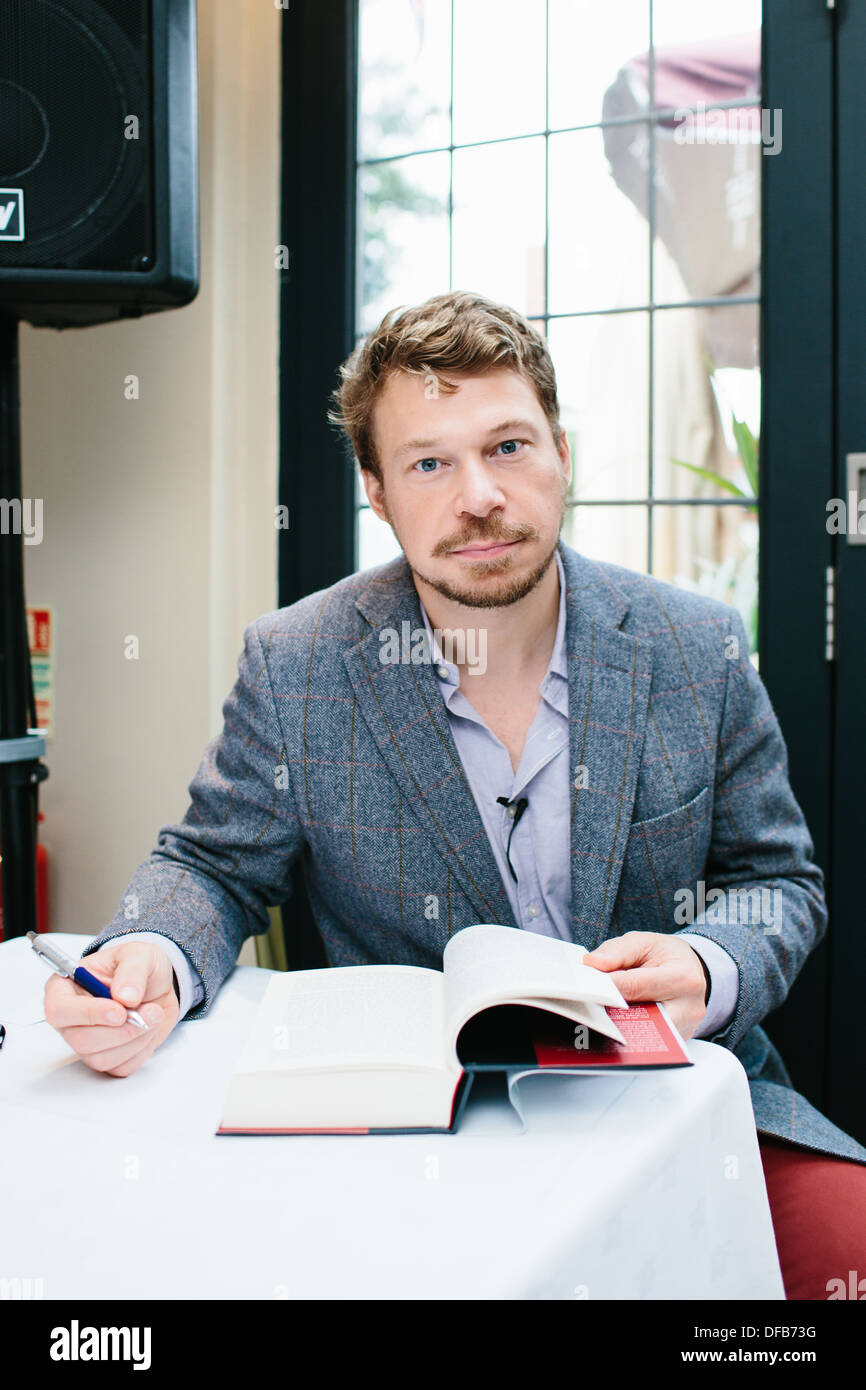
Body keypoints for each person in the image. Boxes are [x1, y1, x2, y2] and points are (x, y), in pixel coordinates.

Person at [45, 289, 866, 1298]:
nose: (476, 495)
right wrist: (149, 954)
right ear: (378, 493)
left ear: (561, 451)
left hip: (683, 1105)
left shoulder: (693, 647)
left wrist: (708, 958)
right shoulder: (297, 660)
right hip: (405, 1136)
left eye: (508, 446)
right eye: (429, 462)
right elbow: (210, 866)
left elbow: (777, 880)